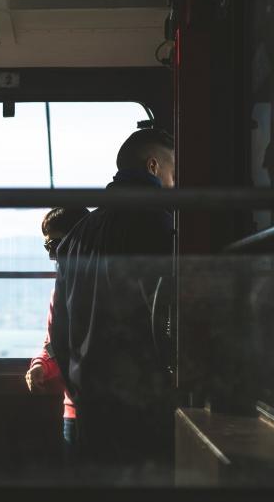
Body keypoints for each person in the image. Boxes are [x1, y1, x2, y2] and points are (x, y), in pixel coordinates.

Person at [49, 128, 177, 482]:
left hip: (91, 401)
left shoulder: (75, 237)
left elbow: (59, 333)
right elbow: (170, 313)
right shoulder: (161, 224)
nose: (175, 183)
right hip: (145, 402)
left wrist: (79, 388)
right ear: (153, 166)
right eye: (173, 172)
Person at [24, 207, 89, 461]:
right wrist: (40, 365)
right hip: (74, 411)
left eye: (56, 245)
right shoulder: (60, 290)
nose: (53, 255)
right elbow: (56, 344)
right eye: (47, 248)